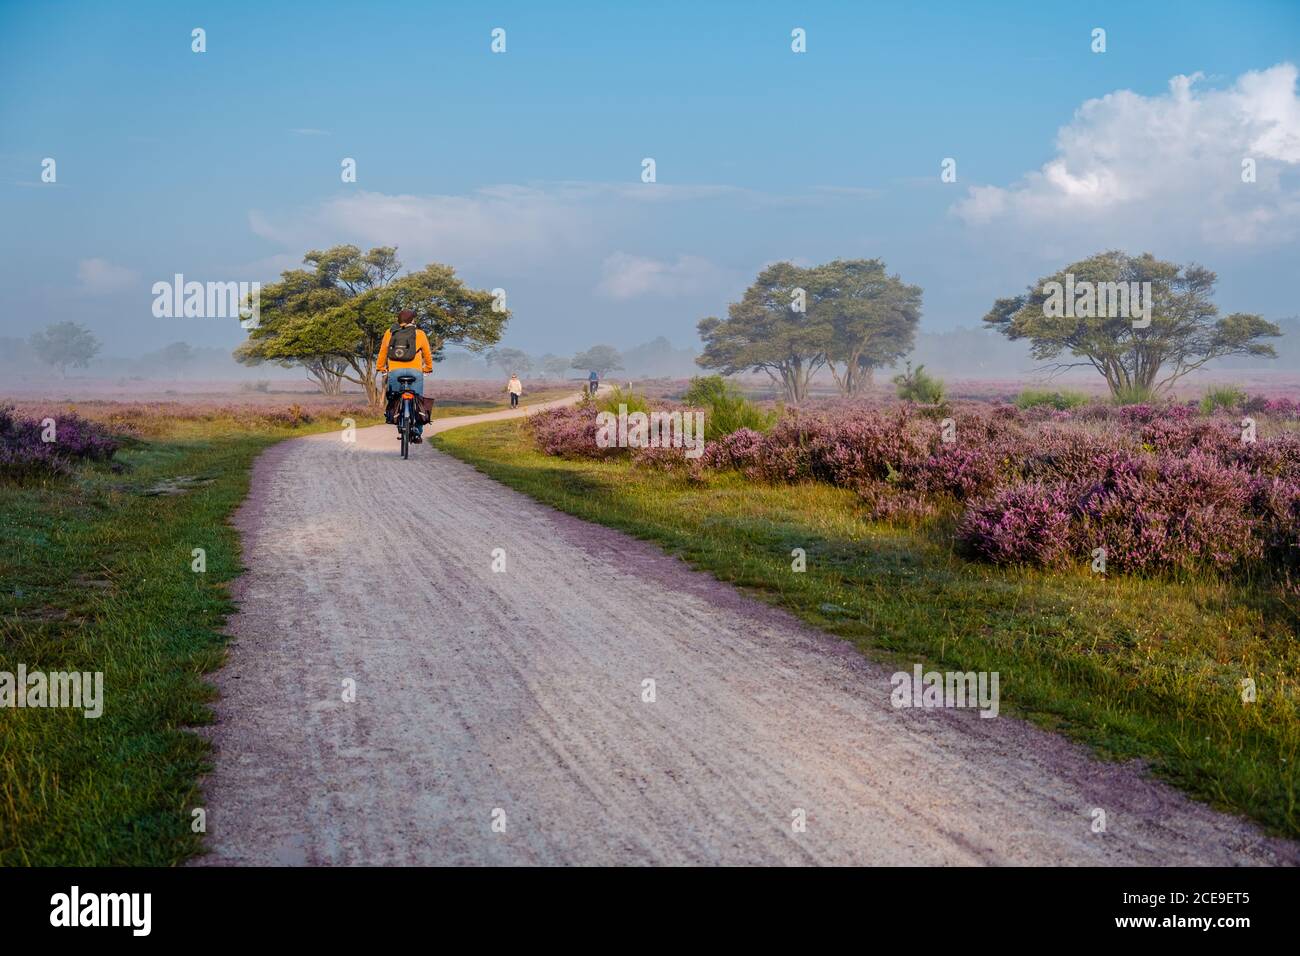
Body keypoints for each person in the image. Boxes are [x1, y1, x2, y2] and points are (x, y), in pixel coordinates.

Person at [376, 309, 434, 442]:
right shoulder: (420, 334)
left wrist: (381, 368)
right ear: (412, 320)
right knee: (418, 400)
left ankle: (395, 418)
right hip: (415, 372)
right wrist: (428, 368)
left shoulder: (390, 332)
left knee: (394, 398)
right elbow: (427, 353)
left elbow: (383, 352)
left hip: (395, 372)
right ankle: (418, 432)